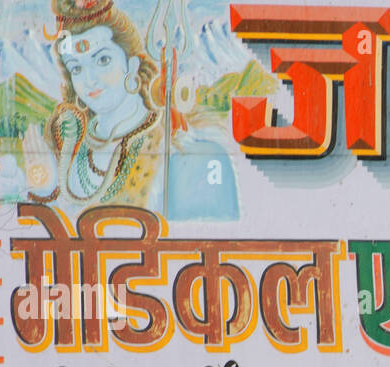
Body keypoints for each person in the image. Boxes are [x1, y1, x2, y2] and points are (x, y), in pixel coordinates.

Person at [20, 0, 237, 219]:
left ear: (132, 65)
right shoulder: (74, 150)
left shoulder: (179, 151)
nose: (89, 80)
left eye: (103, 60)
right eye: (76, 68)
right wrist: (44, 188)